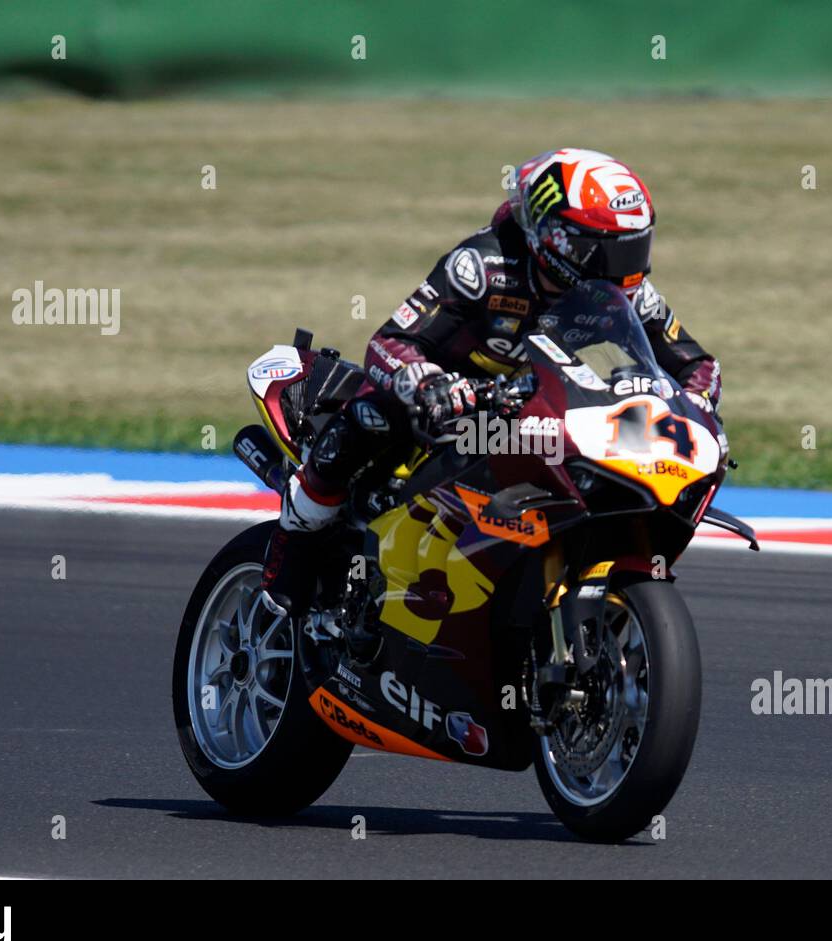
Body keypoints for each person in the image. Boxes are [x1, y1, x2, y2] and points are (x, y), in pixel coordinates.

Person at [260, 147, 722, 612]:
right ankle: (288, 557)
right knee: (369, 417)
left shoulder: (630, 294)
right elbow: (389, 342)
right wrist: (426, 384)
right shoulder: (482, 267)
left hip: (534, 415)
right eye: (610, 250)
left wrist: (696, 405)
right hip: (444, 411)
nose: (627, 267)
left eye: (635, 248)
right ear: (557, 240)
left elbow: (697, 366)